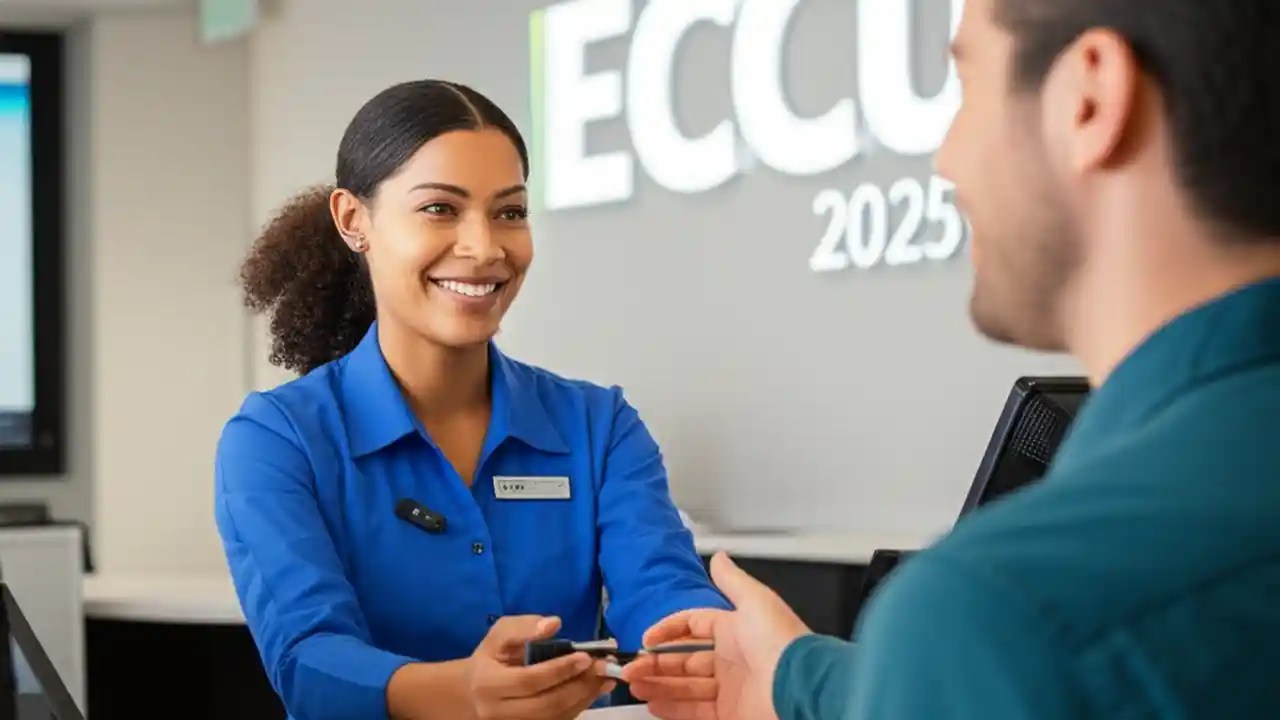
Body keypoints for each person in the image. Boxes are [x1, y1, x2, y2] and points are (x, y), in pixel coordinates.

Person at [622, 0, 1280, 717]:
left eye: (966, 86)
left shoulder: (999, 612)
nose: (945, 158)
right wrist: (796, 677)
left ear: (1088, 99)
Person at [213, 79, 729, 720]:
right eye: (440, 208)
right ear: (353, 221)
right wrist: (465, 693)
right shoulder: (276, 440)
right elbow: (309, 659)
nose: (485, 248)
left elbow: (662, 588)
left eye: (509, 212)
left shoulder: (599, 427)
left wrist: (699, 644)